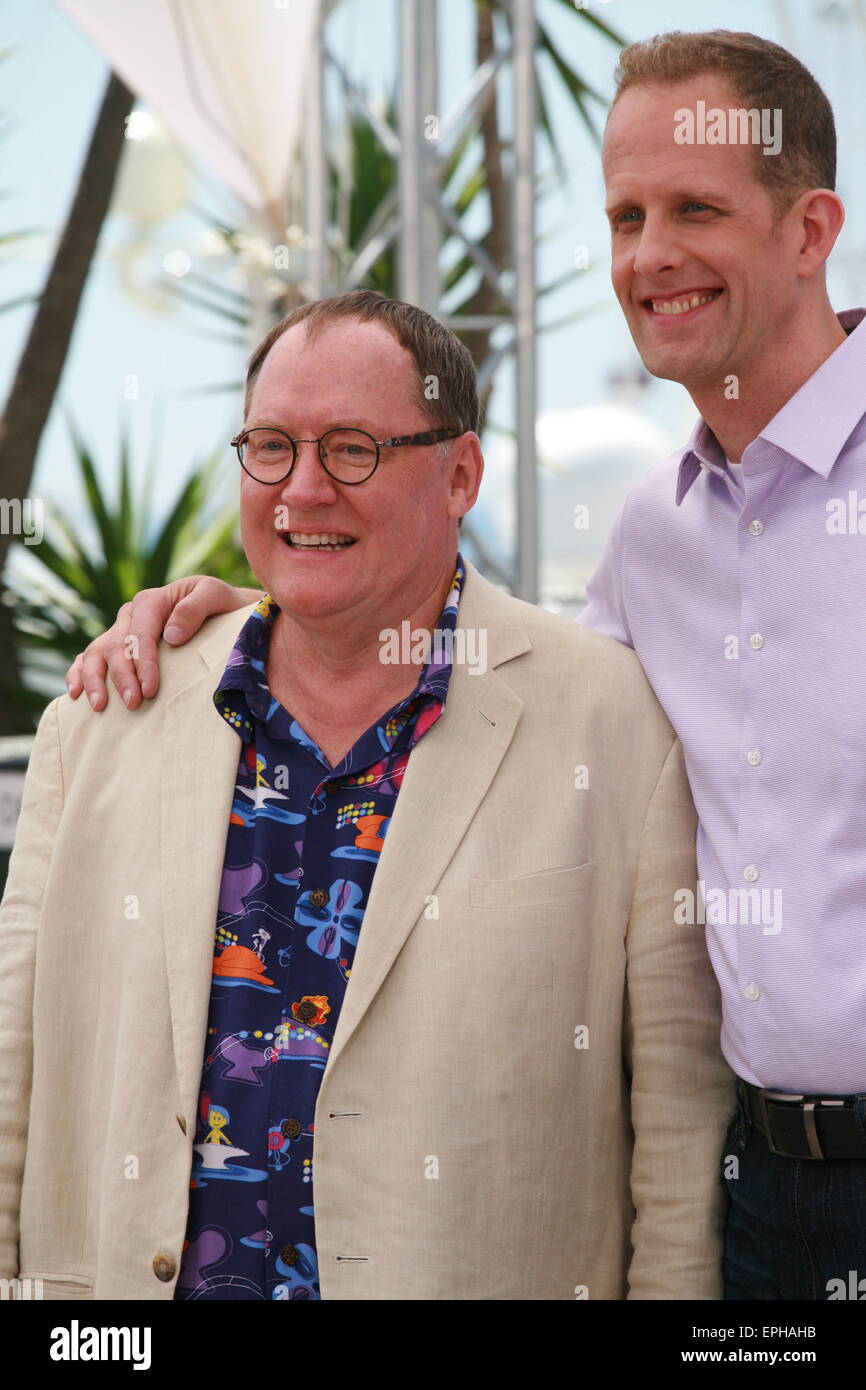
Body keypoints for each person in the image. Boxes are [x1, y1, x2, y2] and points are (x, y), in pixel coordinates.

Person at [74, 29, 866, 1303]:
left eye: (694, 208)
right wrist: (266, 599)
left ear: (808, 228)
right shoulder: (651, 539)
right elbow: (493, 669)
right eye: (621, 215)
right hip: (765, 1188)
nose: (647, 254)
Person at [0, 289, 731, 1301]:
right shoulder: (107, 712)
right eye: (270, 446)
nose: (302, 490)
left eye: (352, 449)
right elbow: (13, 1070)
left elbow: (678, 1133)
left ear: (459, 473)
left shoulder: (611, 723)